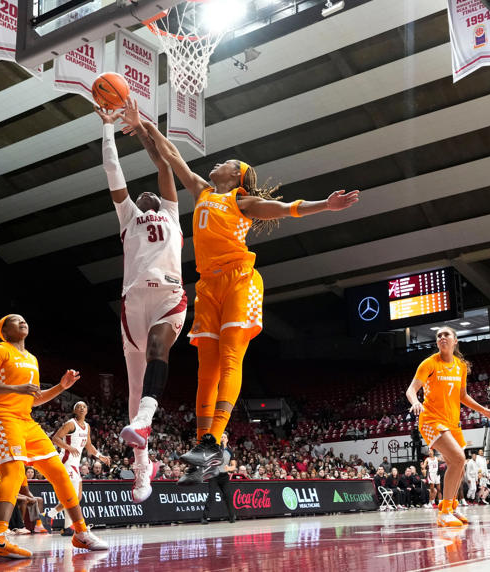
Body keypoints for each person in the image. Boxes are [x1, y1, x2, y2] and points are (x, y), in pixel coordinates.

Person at [121, 104, 359, 483]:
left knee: (231, 353)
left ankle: (214, 440)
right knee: (206, 367)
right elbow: (168, 154)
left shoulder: (241, 202)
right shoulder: (201, 191)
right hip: (209, 284)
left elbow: (286, 209)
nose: (220, 163)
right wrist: (142, 125)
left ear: (237, 177)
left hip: (240, 279)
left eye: (229, 162)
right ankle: (204, 451)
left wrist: (325, 206)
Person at [95, 103, 185, 503]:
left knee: (158, 349)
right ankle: (141, 467)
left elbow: (165, 166)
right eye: (142, 191)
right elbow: (114, 173)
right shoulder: (128, 216)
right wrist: (108, 129)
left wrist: (143, 130)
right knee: (133, 392)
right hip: (132, 305)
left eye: (152, 190)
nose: (148, 190)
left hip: (168, 294)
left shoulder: (171, 212)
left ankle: (146, 420)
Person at [0, 314, 107, 559]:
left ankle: (81, 532)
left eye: (23, 319)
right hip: (1, 416)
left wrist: (60, 387)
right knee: (14, 472)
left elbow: (34, 398)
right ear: (4, 330)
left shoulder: (31, 358)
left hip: (25, 420)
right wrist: (15, 389)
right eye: (14, 320)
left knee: (58, 471)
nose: (22, 321)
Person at [406, 326, 490, 527]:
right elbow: (411, 389)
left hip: (452, 423)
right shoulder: (429, 363)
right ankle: (445, 511)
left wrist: (485, 410)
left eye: (446, 334)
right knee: (458, 459)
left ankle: (450, 506)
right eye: (438, 335)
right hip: (431, 420)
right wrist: (415, 401)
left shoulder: (460, 366)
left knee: (458, 464)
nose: (442, 337)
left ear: (455, 340)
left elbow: (462, 396)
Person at [46, 401, 111, 535]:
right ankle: (55, 519)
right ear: (75, 410)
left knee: (78, 497)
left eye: (84, 407)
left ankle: (64, 524)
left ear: (87, 410)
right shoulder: (71, 423)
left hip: (75, 464)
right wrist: (68, 447)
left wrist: (101, 456)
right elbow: (55, 438)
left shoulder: (86, 426)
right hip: (66, 462)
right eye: (79, 407)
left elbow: (89, 446)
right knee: (72, 497)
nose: (81, 408)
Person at [201, 432, 236, 524]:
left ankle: (232, 517)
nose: (223, 438)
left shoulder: (230, 451)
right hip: (214, 476)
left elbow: (234, 466)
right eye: (221, 437)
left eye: (224, 437)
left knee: (228, 496)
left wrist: (229, 468)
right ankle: (204, 517)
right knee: (211, 496)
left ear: (227, 440)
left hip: (224, 476)